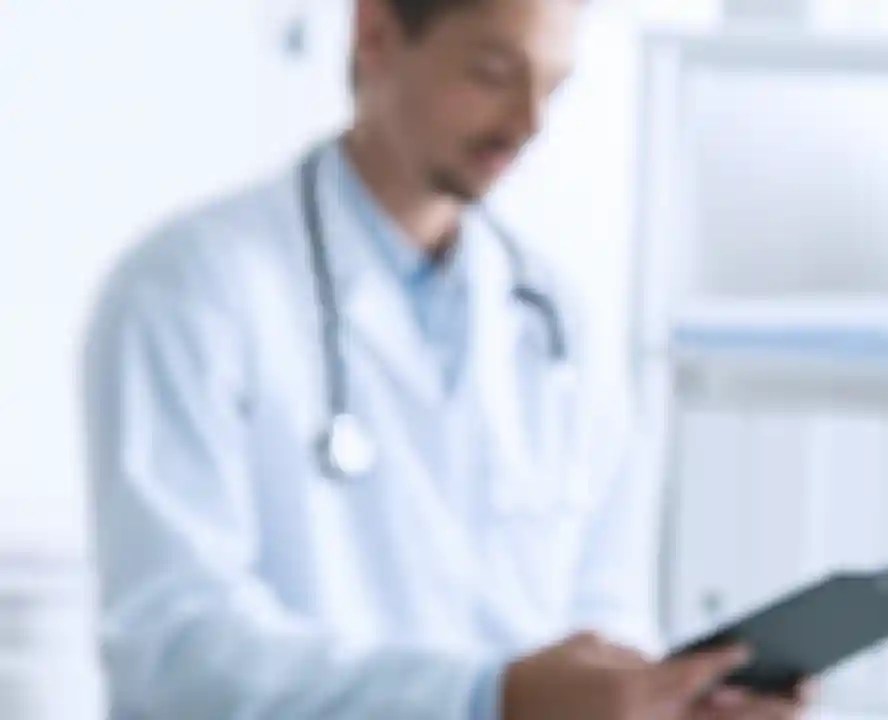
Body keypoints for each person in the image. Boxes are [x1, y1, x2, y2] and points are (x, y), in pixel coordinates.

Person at [83, 0, 811, 718]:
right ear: (376, 35)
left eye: (554, 87)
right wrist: (486, 697)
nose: (529, 124)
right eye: (493, 73)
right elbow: (174, 657)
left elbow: (604, 623)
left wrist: (668, 703)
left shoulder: (557, 323)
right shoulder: (190, 291)